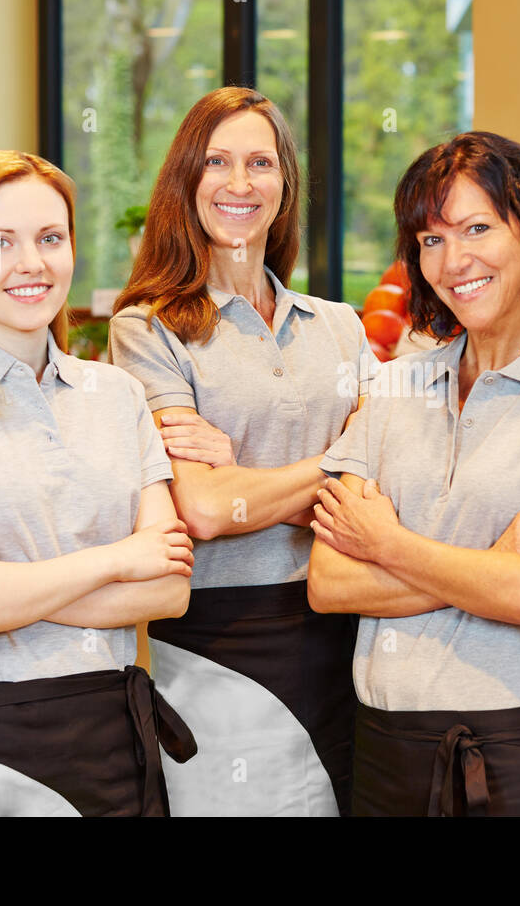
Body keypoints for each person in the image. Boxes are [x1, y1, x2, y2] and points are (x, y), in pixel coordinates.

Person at [308, 131, 520, 816]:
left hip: (515, 759)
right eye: (430, 240)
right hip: (381, 751)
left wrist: (389, 546)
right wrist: (498, 560)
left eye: (477, 229)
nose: (453, 260)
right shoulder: (394, 385)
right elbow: (329, 582)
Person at [0, 150, 197, 816]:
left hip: (112, 739)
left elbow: (167, 588)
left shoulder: (119, 394)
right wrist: (115, 561)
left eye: (50, 238)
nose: (32, 264)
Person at [106, 87, 377, 816]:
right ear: (186, 180)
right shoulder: (149, 328)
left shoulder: (340, 327)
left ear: (285, 185)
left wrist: (246, 475)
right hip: (221, 646)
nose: (239, 182)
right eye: (217, 161)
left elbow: (393, 479)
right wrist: (343, 459)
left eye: (261, 162)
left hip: (354, 631)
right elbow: (203, 508)